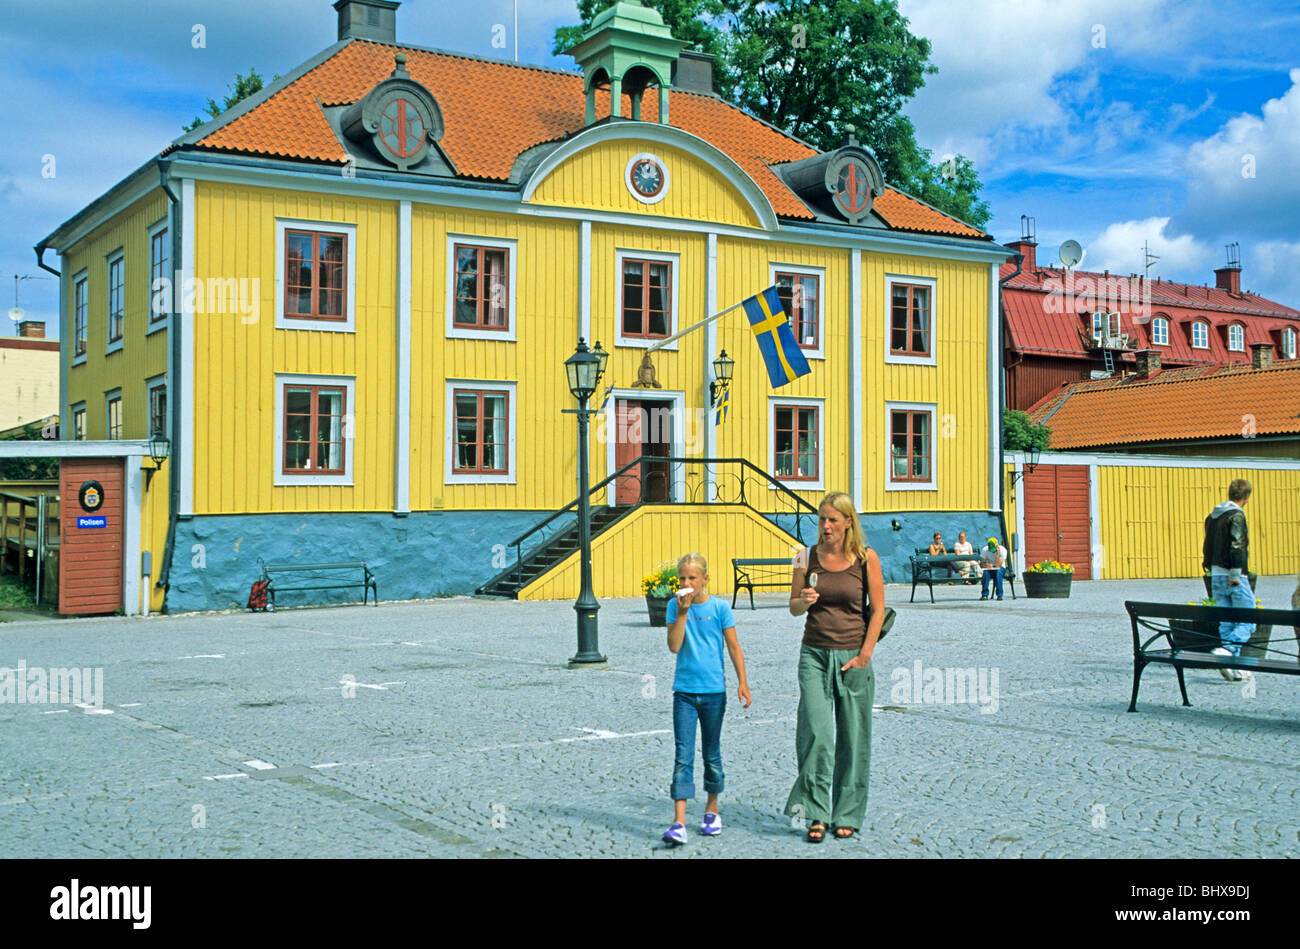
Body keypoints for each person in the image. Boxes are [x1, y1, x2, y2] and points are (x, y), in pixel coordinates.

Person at [784, 491, 886, 842]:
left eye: (832, 520)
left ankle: (847, 813)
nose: (825, 526)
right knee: (817, 734)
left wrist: (865, 655)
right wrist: (803, 600)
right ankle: (815, 812)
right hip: (813, 654)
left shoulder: (866, 558)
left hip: (853, 656)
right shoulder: (803, 557)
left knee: (853, 739)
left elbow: (879, 611)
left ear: (847, 523)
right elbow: (793, 607)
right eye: (822, 519)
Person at [662, 552, 751, 845]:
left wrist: (743, 682)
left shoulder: (720, 608)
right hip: (684, 693)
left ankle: (712, 810)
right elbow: (674, 646)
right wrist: (683, 613)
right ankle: (679, 822)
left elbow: (734, 646)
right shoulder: (674, 607)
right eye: (682, 578)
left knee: (711, 753)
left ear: (705, 579)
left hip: (714, 692)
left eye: (692, 578)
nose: (687, 583)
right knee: (682, 755)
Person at [1203, 479, 1254, 681]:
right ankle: (1229, 651)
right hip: (1233, 575)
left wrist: (1208, 569)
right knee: (1248, 619)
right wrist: (1235, 574)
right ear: (1246, 497)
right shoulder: (1236, 515)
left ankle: (1233, 668)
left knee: (1227, 621)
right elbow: (1237, 545)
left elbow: (1207, 546)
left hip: (1215, 574)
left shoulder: (1212, 516)